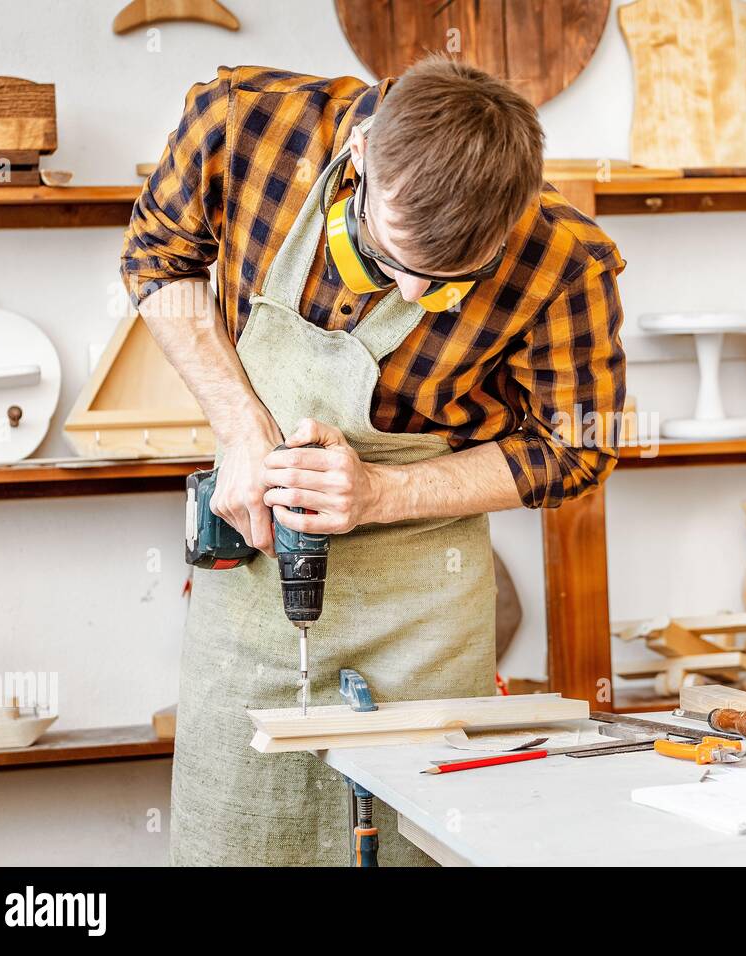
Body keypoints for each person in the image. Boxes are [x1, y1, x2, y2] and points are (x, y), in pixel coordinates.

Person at [120, 56, 626, 865]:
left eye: (448, 283)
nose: (417, 294)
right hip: (251, 582)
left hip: (423, 609)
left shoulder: (562, 259)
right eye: (392, 263)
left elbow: (579, 446)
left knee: (418, 843)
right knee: (236, 837)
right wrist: (244, 430)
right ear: (359, 156)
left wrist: (380, 494)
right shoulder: (244, 125)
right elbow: (157, 260)